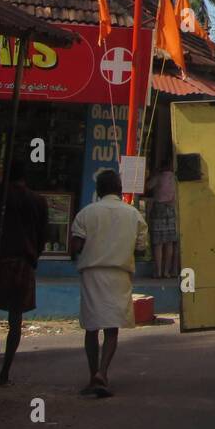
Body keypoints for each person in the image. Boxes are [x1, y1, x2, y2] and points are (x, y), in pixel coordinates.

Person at [70, 169, 147, 398]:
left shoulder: (86, 213)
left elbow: (76, 245)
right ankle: (102, 373)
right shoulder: (133, 215)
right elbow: (141, 248)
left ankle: (93, 374)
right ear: (120, 189)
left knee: (91, 327)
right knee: (111, 327)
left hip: (92, 273)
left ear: (98, 190)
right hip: (119, 273)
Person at [0, 162, 48, 386]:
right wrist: (33, 256)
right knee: (15, 320)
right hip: (24, 264)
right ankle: (5, 372)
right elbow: (43, 237)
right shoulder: (39, 201)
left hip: (0, 261)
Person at [144, 160, 179, 279]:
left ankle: (158, 271)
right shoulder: (175, 178)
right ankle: (166, 271)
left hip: (159, 209)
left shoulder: (159, 177)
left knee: (158, 243)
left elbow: (147, 186)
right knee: (169, 243)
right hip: (172, 210)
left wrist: (150, 175)